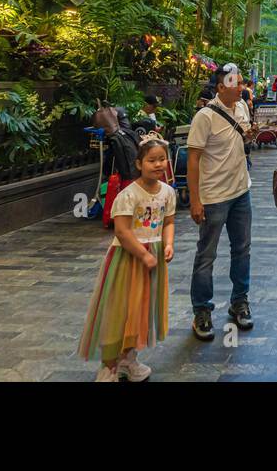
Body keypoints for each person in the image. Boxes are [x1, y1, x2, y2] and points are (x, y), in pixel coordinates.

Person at [79, 136, 176, 381]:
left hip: (152, 256)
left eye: (162, 159)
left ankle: (128, 359)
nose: (157, 164)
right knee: (118, 310)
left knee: (141, 310)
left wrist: (168, 244)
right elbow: (122, 231)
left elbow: (169, 221)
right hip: (128, 258)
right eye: (151, 160)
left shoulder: (168, 192)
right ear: (139, 163)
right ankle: (109, 364)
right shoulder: (128, 194)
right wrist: (143, 254)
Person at [186, 64, 258, 341]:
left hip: (242, 191)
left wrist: (249, 136)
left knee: (242, 249)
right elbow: (193, 160)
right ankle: (202, 310)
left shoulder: (242, 108)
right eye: (235, 83)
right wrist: (195, 199)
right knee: (206, 255)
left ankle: (239, 301)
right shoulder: (204, 117)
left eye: (241, 82)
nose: (241, 87)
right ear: (220, 88)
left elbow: (241, 141)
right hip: (214, 196)